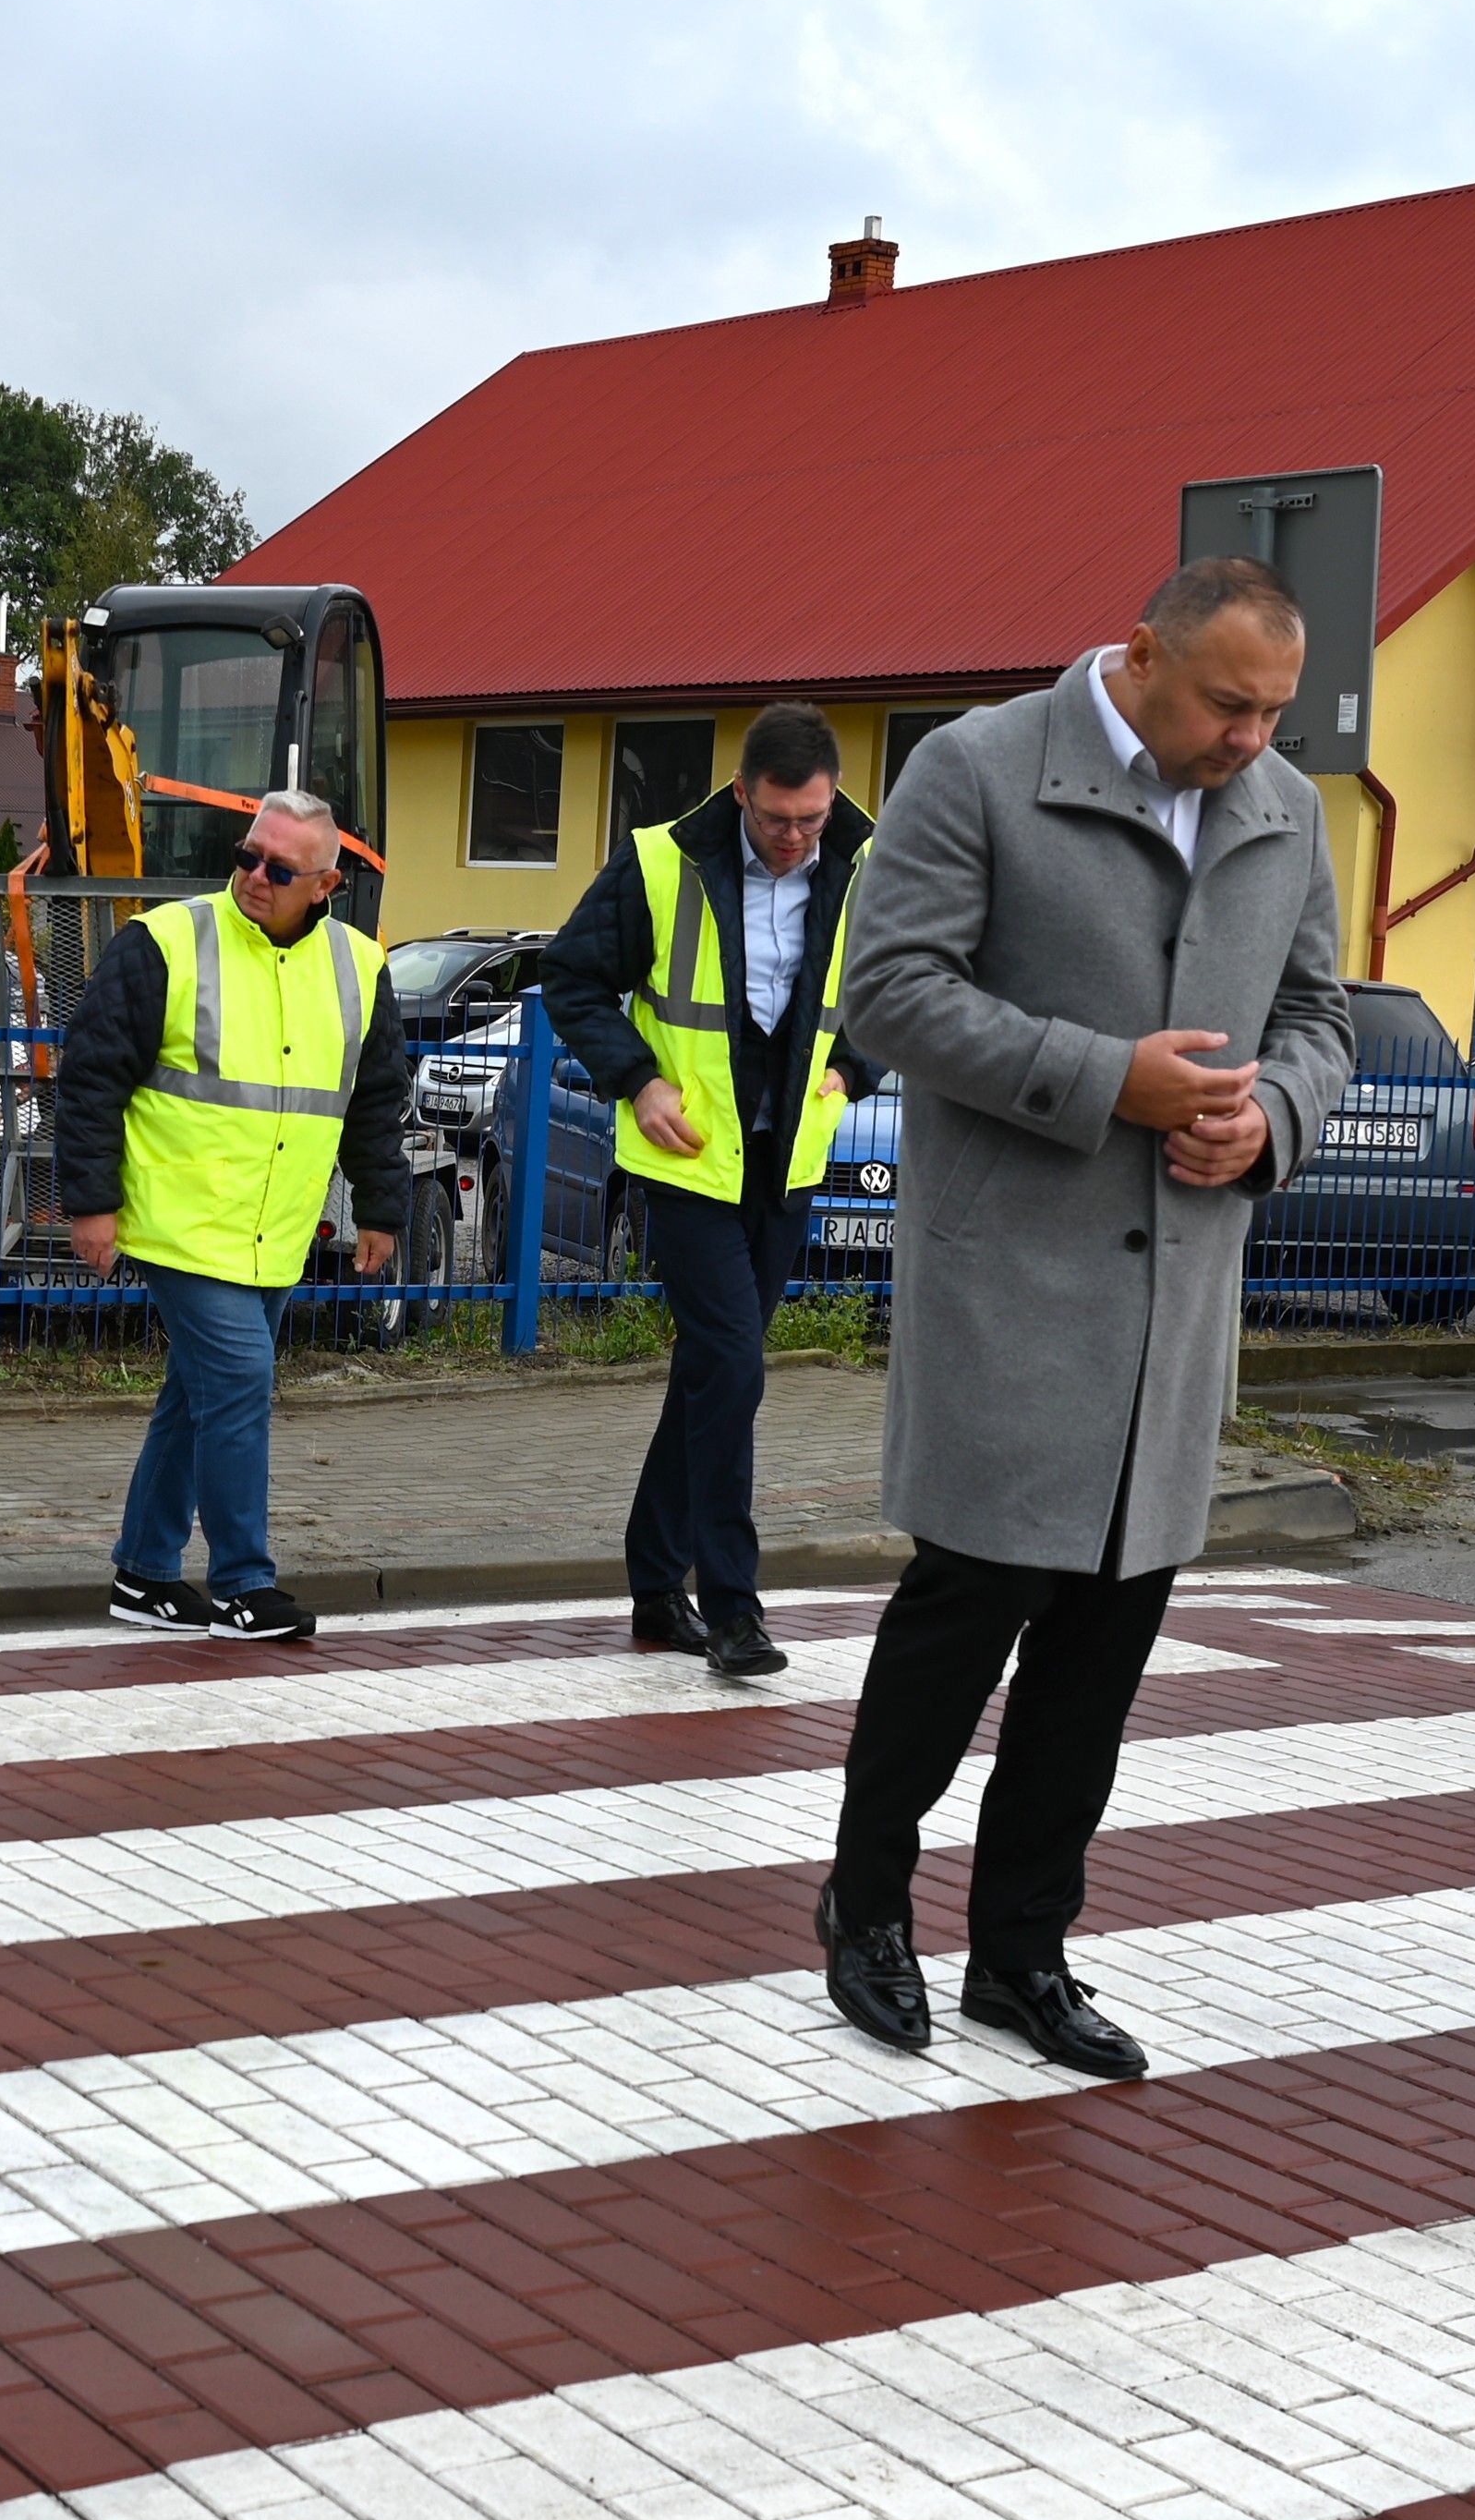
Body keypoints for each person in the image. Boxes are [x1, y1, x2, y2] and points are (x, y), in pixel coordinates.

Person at [816, 559, 1360, 2077]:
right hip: (1011, 1288)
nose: (1253, 738)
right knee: (960, 1617)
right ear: (1141, 658)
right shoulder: (978, 768)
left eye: (1275, 711)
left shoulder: (1285, 813)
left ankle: (1020, 1951)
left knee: (1100, 1658)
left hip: (1171, 1301)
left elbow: (1317, 1016)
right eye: (1227, 704)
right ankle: (865, 1908)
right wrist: (1100, 1076)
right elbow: (889, 994)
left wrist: (1269, 1122)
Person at [541, 698, 875, 1686]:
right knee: (734, 1367)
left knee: (711, 1377)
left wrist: (856, 1069)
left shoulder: (866, 864)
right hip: (685, 1161)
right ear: (741, 794)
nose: (795, 838)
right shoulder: (659, 862)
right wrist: (638, 1081)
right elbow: (571, 980)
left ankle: (654, 1586)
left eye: (812, 819)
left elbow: (899, 987)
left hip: (786, 1161)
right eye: (778, 819)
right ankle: (731, 1606)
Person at [47, 784, 417, 1642]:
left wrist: (381, 1206)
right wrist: (91, 1205)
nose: (254, 875)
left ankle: (142, 1574)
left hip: (276, 1231)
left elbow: (374, 1101)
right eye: (247, 855)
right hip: (180, 1220)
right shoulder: (167, 941)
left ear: (325, 885)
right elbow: (92, 1077)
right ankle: (246, 1584)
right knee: (242, 1381)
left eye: (279, 868)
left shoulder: (360, 966)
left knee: (198, 1397)